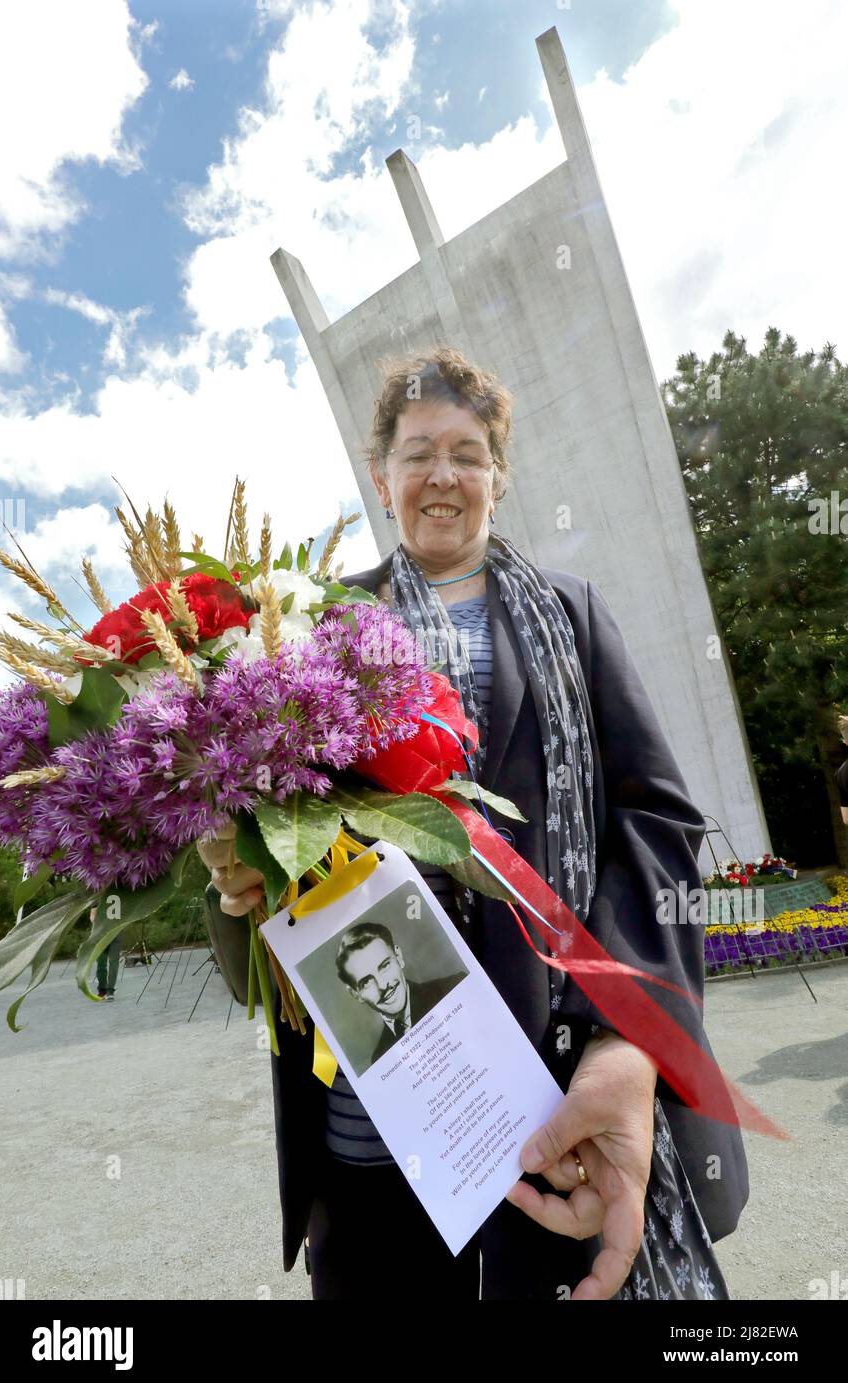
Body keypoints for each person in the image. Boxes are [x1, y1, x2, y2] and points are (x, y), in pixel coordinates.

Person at [200, 345, 749, 1300]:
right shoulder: (309, 635)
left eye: (467, 452)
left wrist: (624, 1038)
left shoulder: (571, 616)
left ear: (500, 475)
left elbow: (657, 824)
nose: (443, 475)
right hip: (371, 1119)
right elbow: (257, 893)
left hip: (553, 1097)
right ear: (382, 478)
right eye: (418, 453)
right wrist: (231, 875)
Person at [334, 920, 467, 1065]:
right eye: (366, 982)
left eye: (385, 966)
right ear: (355, 993)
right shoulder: (380, 1061)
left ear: (398, 957)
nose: (383, 985)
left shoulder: (457, 986)